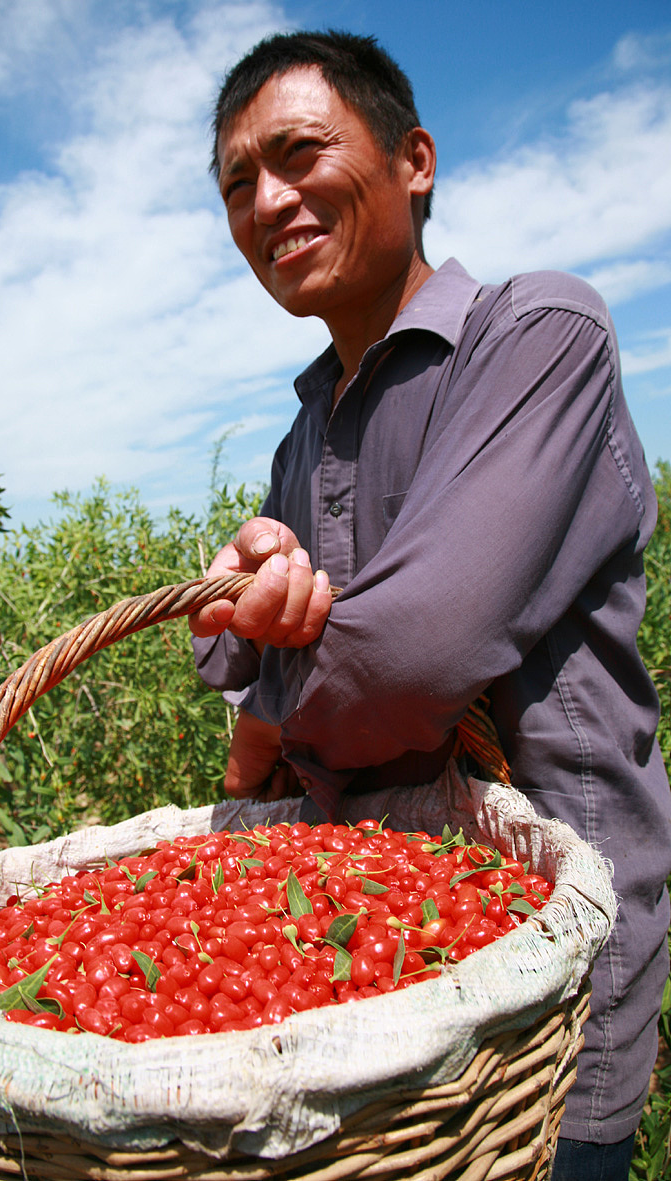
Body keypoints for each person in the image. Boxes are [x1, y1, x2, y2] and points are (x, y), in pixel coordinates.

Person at [189, 29, 671, 1179]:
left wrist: (264, 714)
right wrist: (246, 600)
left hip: (544, 984)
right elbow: (236, 652)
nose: (268, 200)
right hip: (369, 969)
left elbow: (413, 655)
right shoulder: (301, 435)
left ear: (412, 159)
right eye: (236, 185)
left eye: (300, 152)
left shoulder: (538, 333)